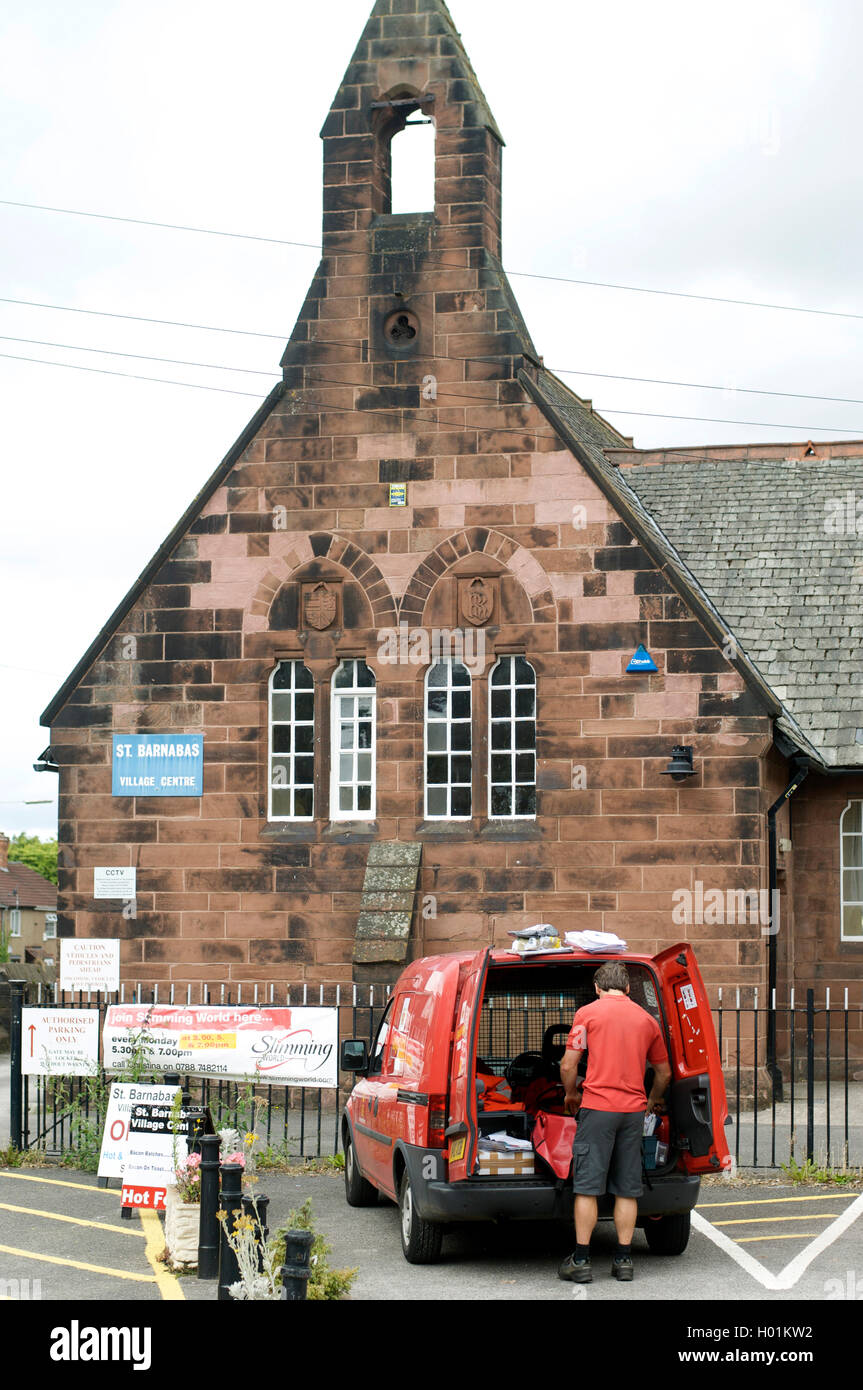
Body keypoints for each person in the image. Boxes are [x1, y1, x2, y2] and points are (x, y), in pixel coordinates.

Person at [558, 960, 671, 1283]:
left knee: (587, 1187)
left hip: (597, 1109)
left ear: (596, 988)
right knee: (627, 1188)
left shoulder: (588, 1014)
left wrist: (571, 1094)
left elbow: (568, 1065)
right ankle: (623, 1261)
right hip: (633, 1112)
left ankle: (580, 1261)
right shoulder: (647, 1020)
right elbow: (663, 1072)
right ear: (628, 987)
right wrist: (652, 1099)